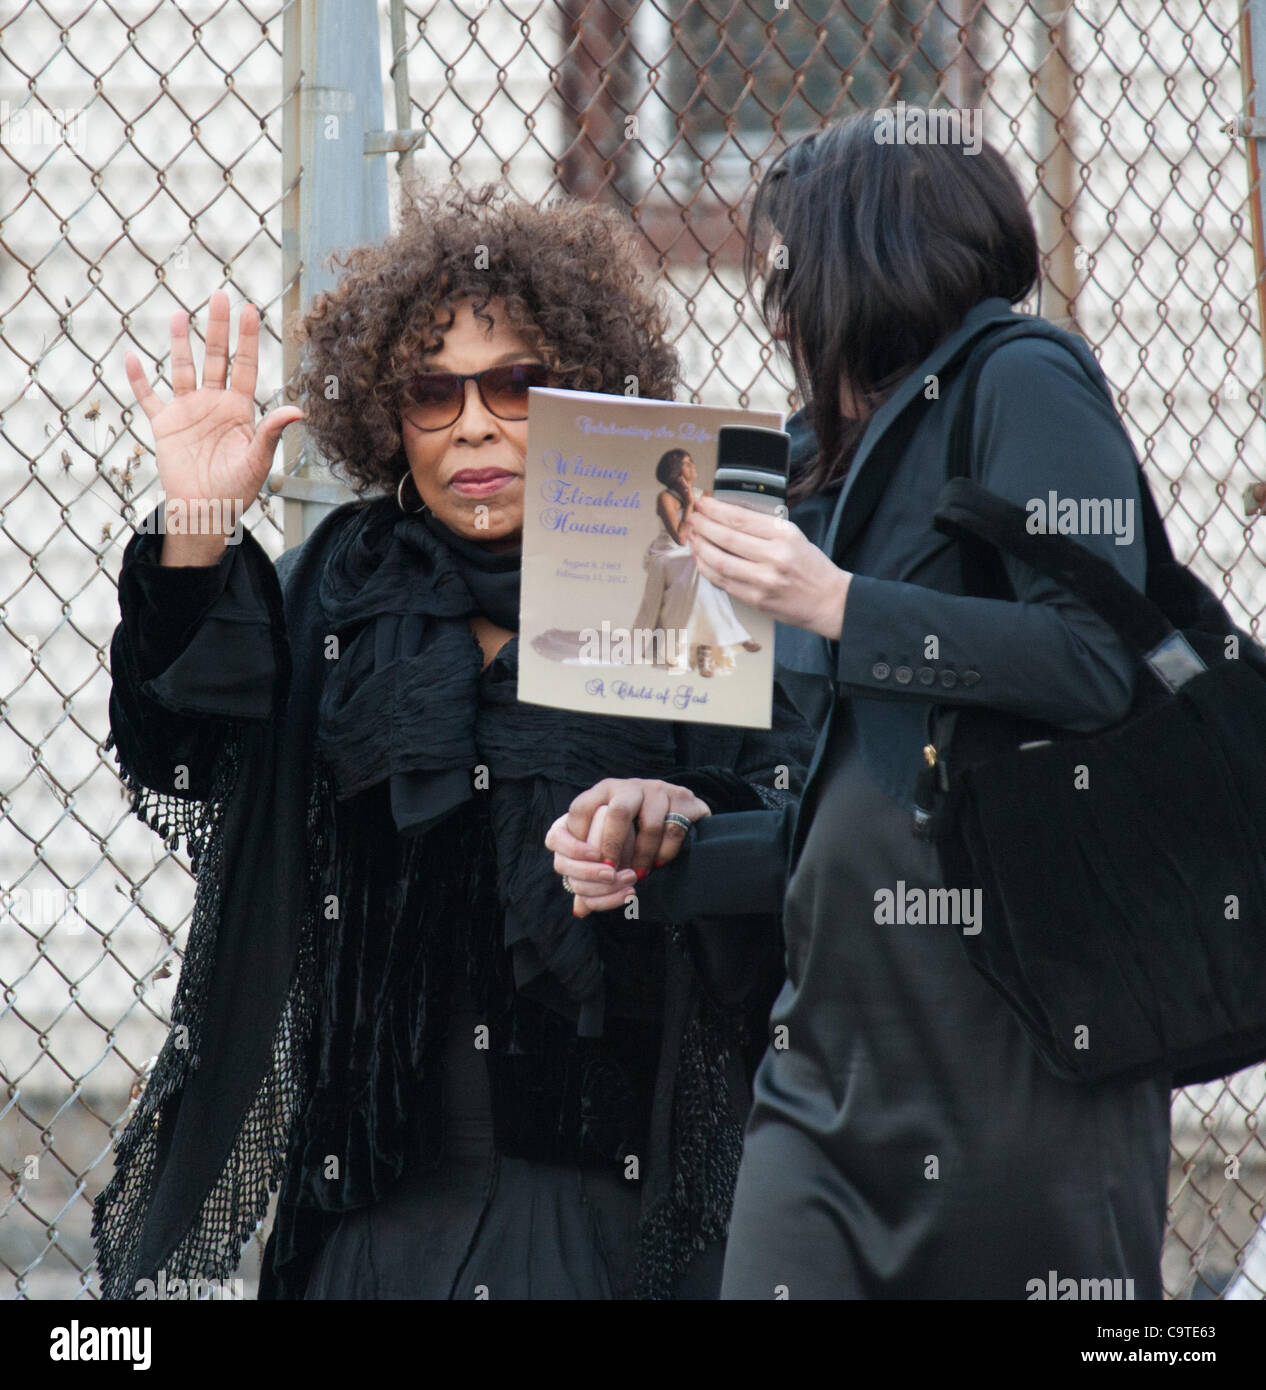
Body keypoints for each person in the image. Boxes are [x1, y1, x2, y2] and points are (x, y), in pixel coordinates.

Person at [91, 183, 815, 1301]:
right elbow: (183, 754)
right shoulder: (345, 582)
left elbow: (788, 818)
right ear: (390, 415)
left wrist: (678, 821)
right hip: (368, 1211)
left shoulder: (684, 571)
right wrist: (196, 529)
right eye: (434, 392)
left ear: (583, 388)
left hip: (608, 1210)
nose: (473, 423)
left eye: (515, 385)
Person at [550, 111, 1173, 1299]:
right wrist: (674, 841)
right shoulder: (806, 464)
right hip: (829, 1057)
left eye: (787, 264)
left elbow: (1103, 658)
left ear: (869, 258)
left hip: (1017, 1052)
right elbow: (847, 801)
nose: (772, 300)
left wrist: (842, 605)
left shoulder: (1021, 375)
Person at [629, 448, 761, 677]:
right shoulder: (666, 498)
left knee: (700, 565)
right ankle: (728, 636)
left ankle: (706, 648)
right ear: (675, 472)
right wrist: (689, 502)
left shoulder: (707, 495)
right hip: (667, 555)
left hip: (694, 553)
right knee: (697, 563)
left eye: (692, 462)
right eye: (686, 464)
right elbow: (679, 539)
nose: (693, 466)